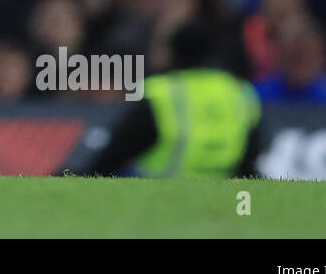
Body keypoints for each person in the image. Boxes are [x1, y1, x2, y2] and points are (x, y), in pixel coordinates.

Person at [70, 25, 262, 178]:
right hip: (225, 196)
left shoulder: (161, 92)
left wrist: (78, 176)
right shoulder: (239, 91)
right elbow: (252, 152)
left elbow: (116, 153)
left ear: (171, 52)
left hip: (166, 195)